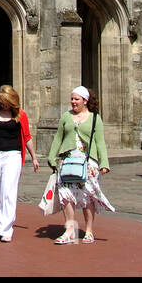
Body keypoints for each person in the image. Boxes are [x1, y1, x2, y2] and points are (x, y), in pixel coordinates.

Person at [47, 86, 113, 244]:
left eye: (76, 99)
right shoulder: (66, 117)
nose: (73, 102)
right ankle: (70, 230)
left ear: (85, 101)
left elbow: (100, 142)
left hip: (88, 161)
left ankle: (89, 230)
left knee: (88, 195)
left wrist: (104, 163)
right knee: (66, 194)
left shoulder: (95, 118)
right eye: (72, 99)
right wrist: (51, 156)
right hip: (68, 160)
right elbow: (58, 137)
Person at [0, 85, 39, 243]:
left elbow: (27, 137)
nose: (5, 105)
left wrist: (34, 157)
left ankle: (6, 229)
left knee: (8, 191)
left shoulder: (20, 115)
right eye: (2, 101)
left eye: (7, 102)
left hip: (13, 155)